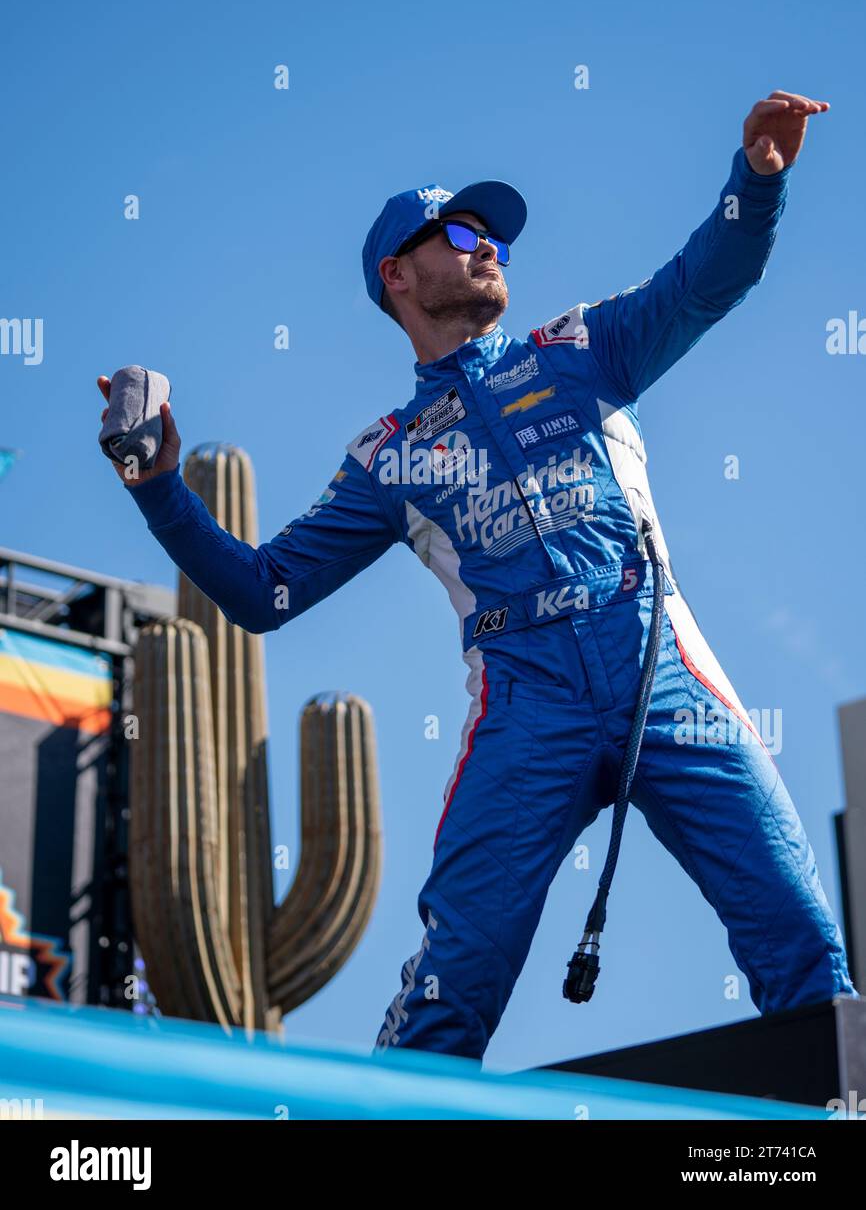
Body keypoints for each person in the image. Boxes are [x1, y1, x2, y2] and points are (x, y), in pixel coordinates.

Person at [99, 90, 858, 1061]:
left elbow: (703, 281)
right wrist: (160, 486)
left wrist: (753, 180)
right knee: (450, 991)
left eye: (488, 229)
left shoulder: (580, 350)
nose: (484, 242)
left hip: (657, 668)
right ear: (397, 275)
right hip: (521, 700)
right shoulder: (387, 455)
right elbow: (262, 591)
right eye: (455, 230)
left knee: (796, 935)